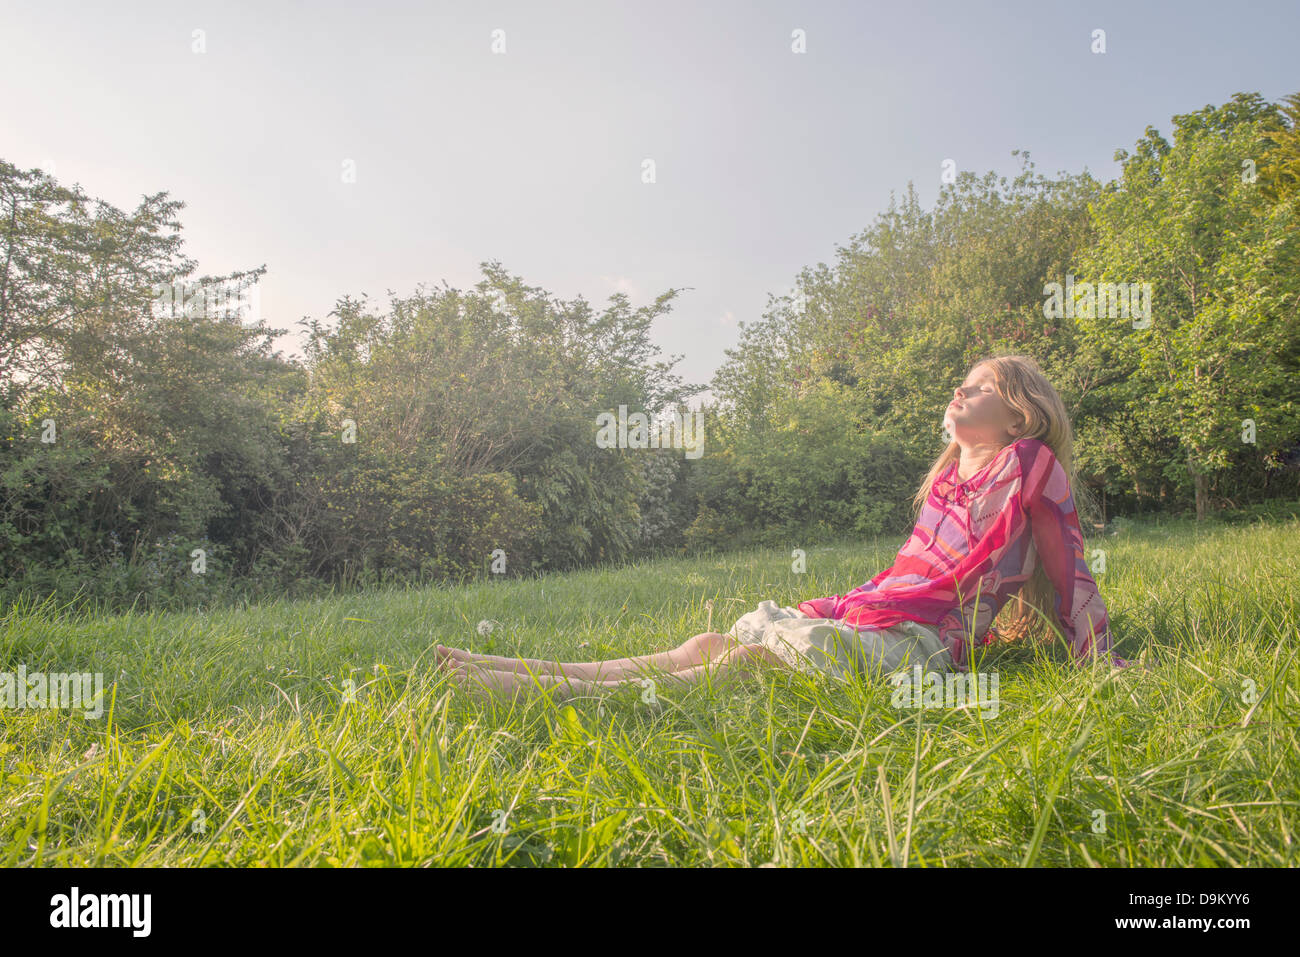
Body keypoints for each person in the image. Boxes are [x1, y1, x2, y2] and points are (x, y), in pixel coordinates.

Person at [437, 353, 1128, 701]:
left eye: (978, 387)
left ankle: (538, 690)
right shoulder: (946, 483)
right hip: (878, 620)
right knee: (710, 640)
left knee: (749, 663)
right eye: (963, 381)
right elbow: (903, 573)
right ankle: (530, 667)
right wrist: (839, 606)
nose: (959, 390)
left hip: (921, 644)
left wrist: (1099, 656)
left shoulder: (1029, 465)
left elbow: (1067, 562)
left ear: (1021, 417)